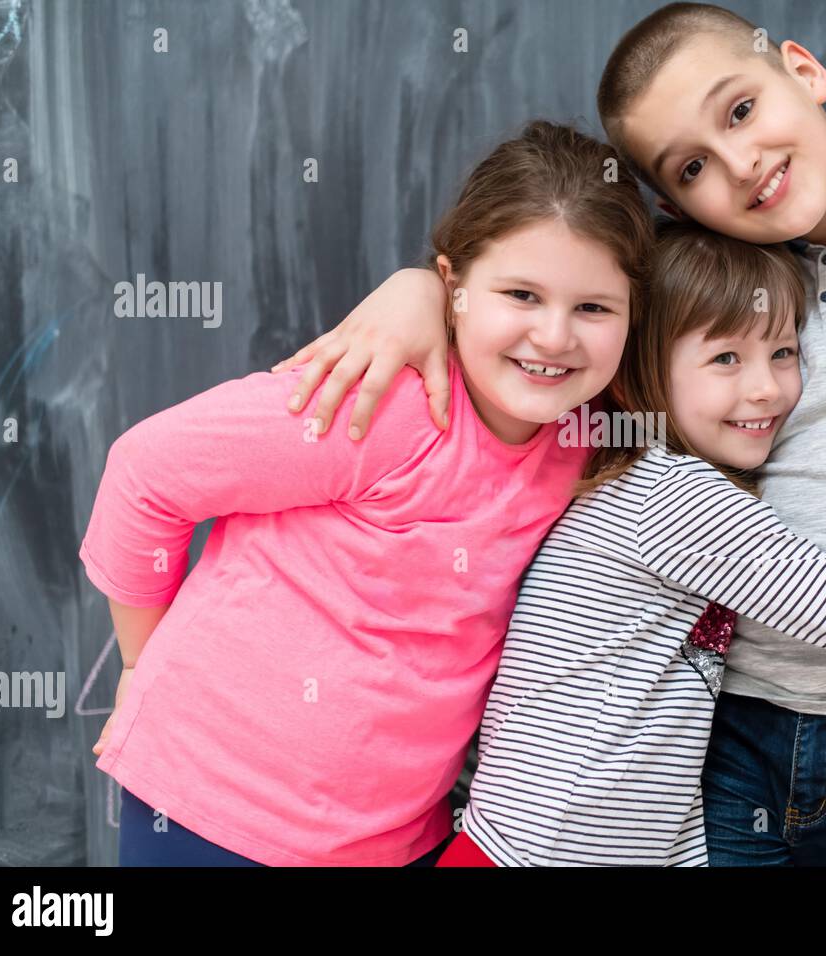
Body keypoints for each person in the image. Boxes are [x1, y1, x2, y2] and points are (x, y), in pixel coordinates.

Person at [271, 4, 826, 867]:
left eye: (742, 109)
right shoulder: (700, 284)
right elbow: (545, 289)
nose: (740, 163)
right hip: (718, 739)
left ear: (803, 70)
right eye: (692, 167)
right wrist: (421, 289)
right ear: (667, 201)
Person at [79, 120, 653, 866]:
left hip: (392, 835)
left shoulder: (591, 440)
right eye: (520, 294)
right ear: (455, 288)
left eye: (593, 308)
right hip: (207, 804)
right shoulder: (378, 400)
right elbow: (145, 472)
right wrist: (136, 664)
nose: (552, 336)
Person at [434, 219, 826, 866]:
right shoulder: (674, 499)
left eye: (783, 352)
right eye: (726, 358)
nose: (766, 388)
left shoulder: (628, 468)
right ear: (640, 367)